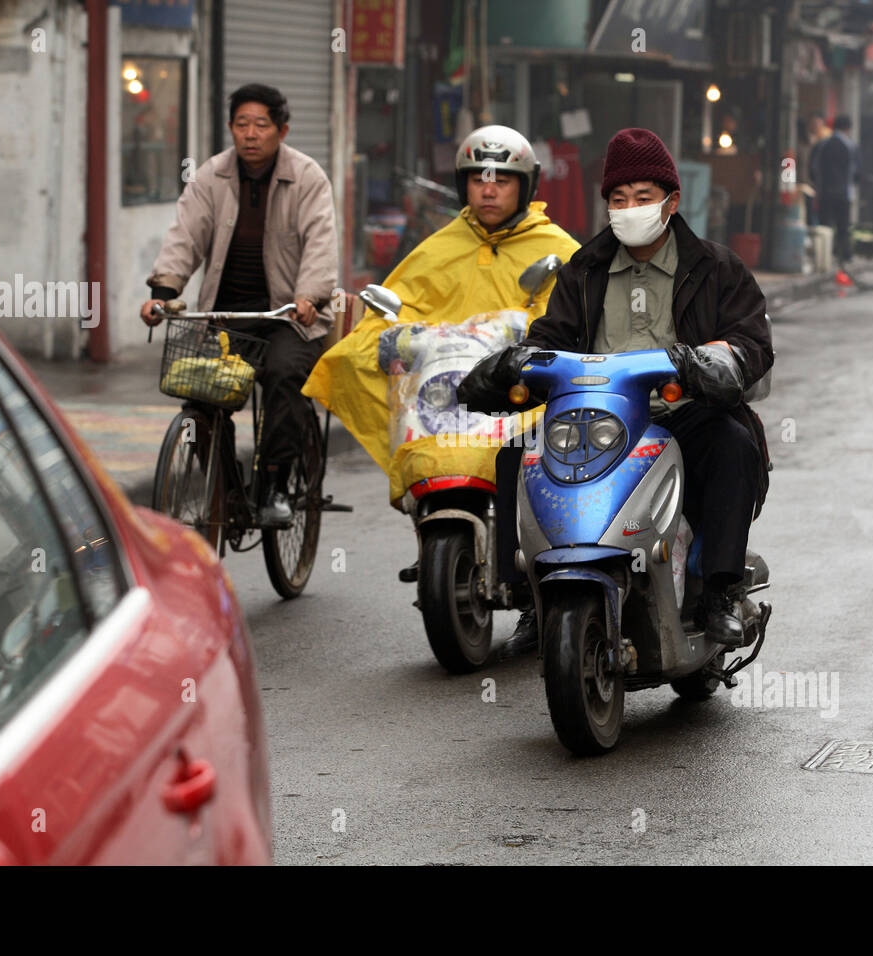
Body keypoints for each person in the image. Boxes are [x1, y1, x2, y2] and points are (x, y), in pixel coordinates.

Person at [459, 128, 773, 656]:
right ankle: (533, 599)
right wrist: (515, 365)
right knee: (516, 455)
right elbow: (550, 339)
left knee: (730, 445)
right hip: (599, 418)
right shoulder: (583, 269)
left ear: (672, 201)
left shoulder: (717, 268)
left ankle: (721, 589)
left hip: (683, 412)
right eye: (618, 199)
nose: (629, 210)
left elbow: (750, 342)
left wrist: (709, 362)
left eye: (643, 198)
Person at [302, 125, 579, 646]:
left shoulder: (559, 249)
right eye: (478, 179)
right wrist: (386, 342)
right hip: (445, 397)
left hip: (525, 399)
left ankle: (544, 582)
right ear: (462, 185)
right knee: (350, 357)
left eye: (502, 180)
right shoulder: (439, 247)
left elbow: (577, 321)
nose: (490, 190)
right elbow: (398, 309)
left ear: (526, 185)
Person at [140, 83, 338, 527]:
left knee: (285, 376)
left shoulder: (307, 178)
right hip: (226, 316)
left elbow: (321, 246)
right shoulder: (211, 176)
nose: (250, 134)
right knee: (200, 392)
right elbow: (184, 237)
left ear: (281, 130)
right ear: (230, 128)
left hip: (288, 318)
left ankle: (273, 485)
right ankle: (224, 488)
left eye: (261, 125)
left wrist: (309, 296)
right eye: (242, 124)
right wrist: (164, 293)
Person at [813, 115, 860, 262]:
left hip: (824, 193)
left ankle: (822, 257)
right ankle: (845, 257)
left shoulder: (821, 145)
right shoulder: (851, 146)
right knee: (843, 227)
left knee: (824, 226)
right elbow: (857, 173)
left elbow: (813, 168)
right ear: (848, 129)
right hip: (844, 194)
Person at [802, 114, 830, 226]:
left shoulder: (825, 145)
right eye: (813, 124)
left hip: (819, 186)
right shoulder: (801, 143)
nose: (816, 127)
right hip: (803, 184)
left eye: (818, 125)